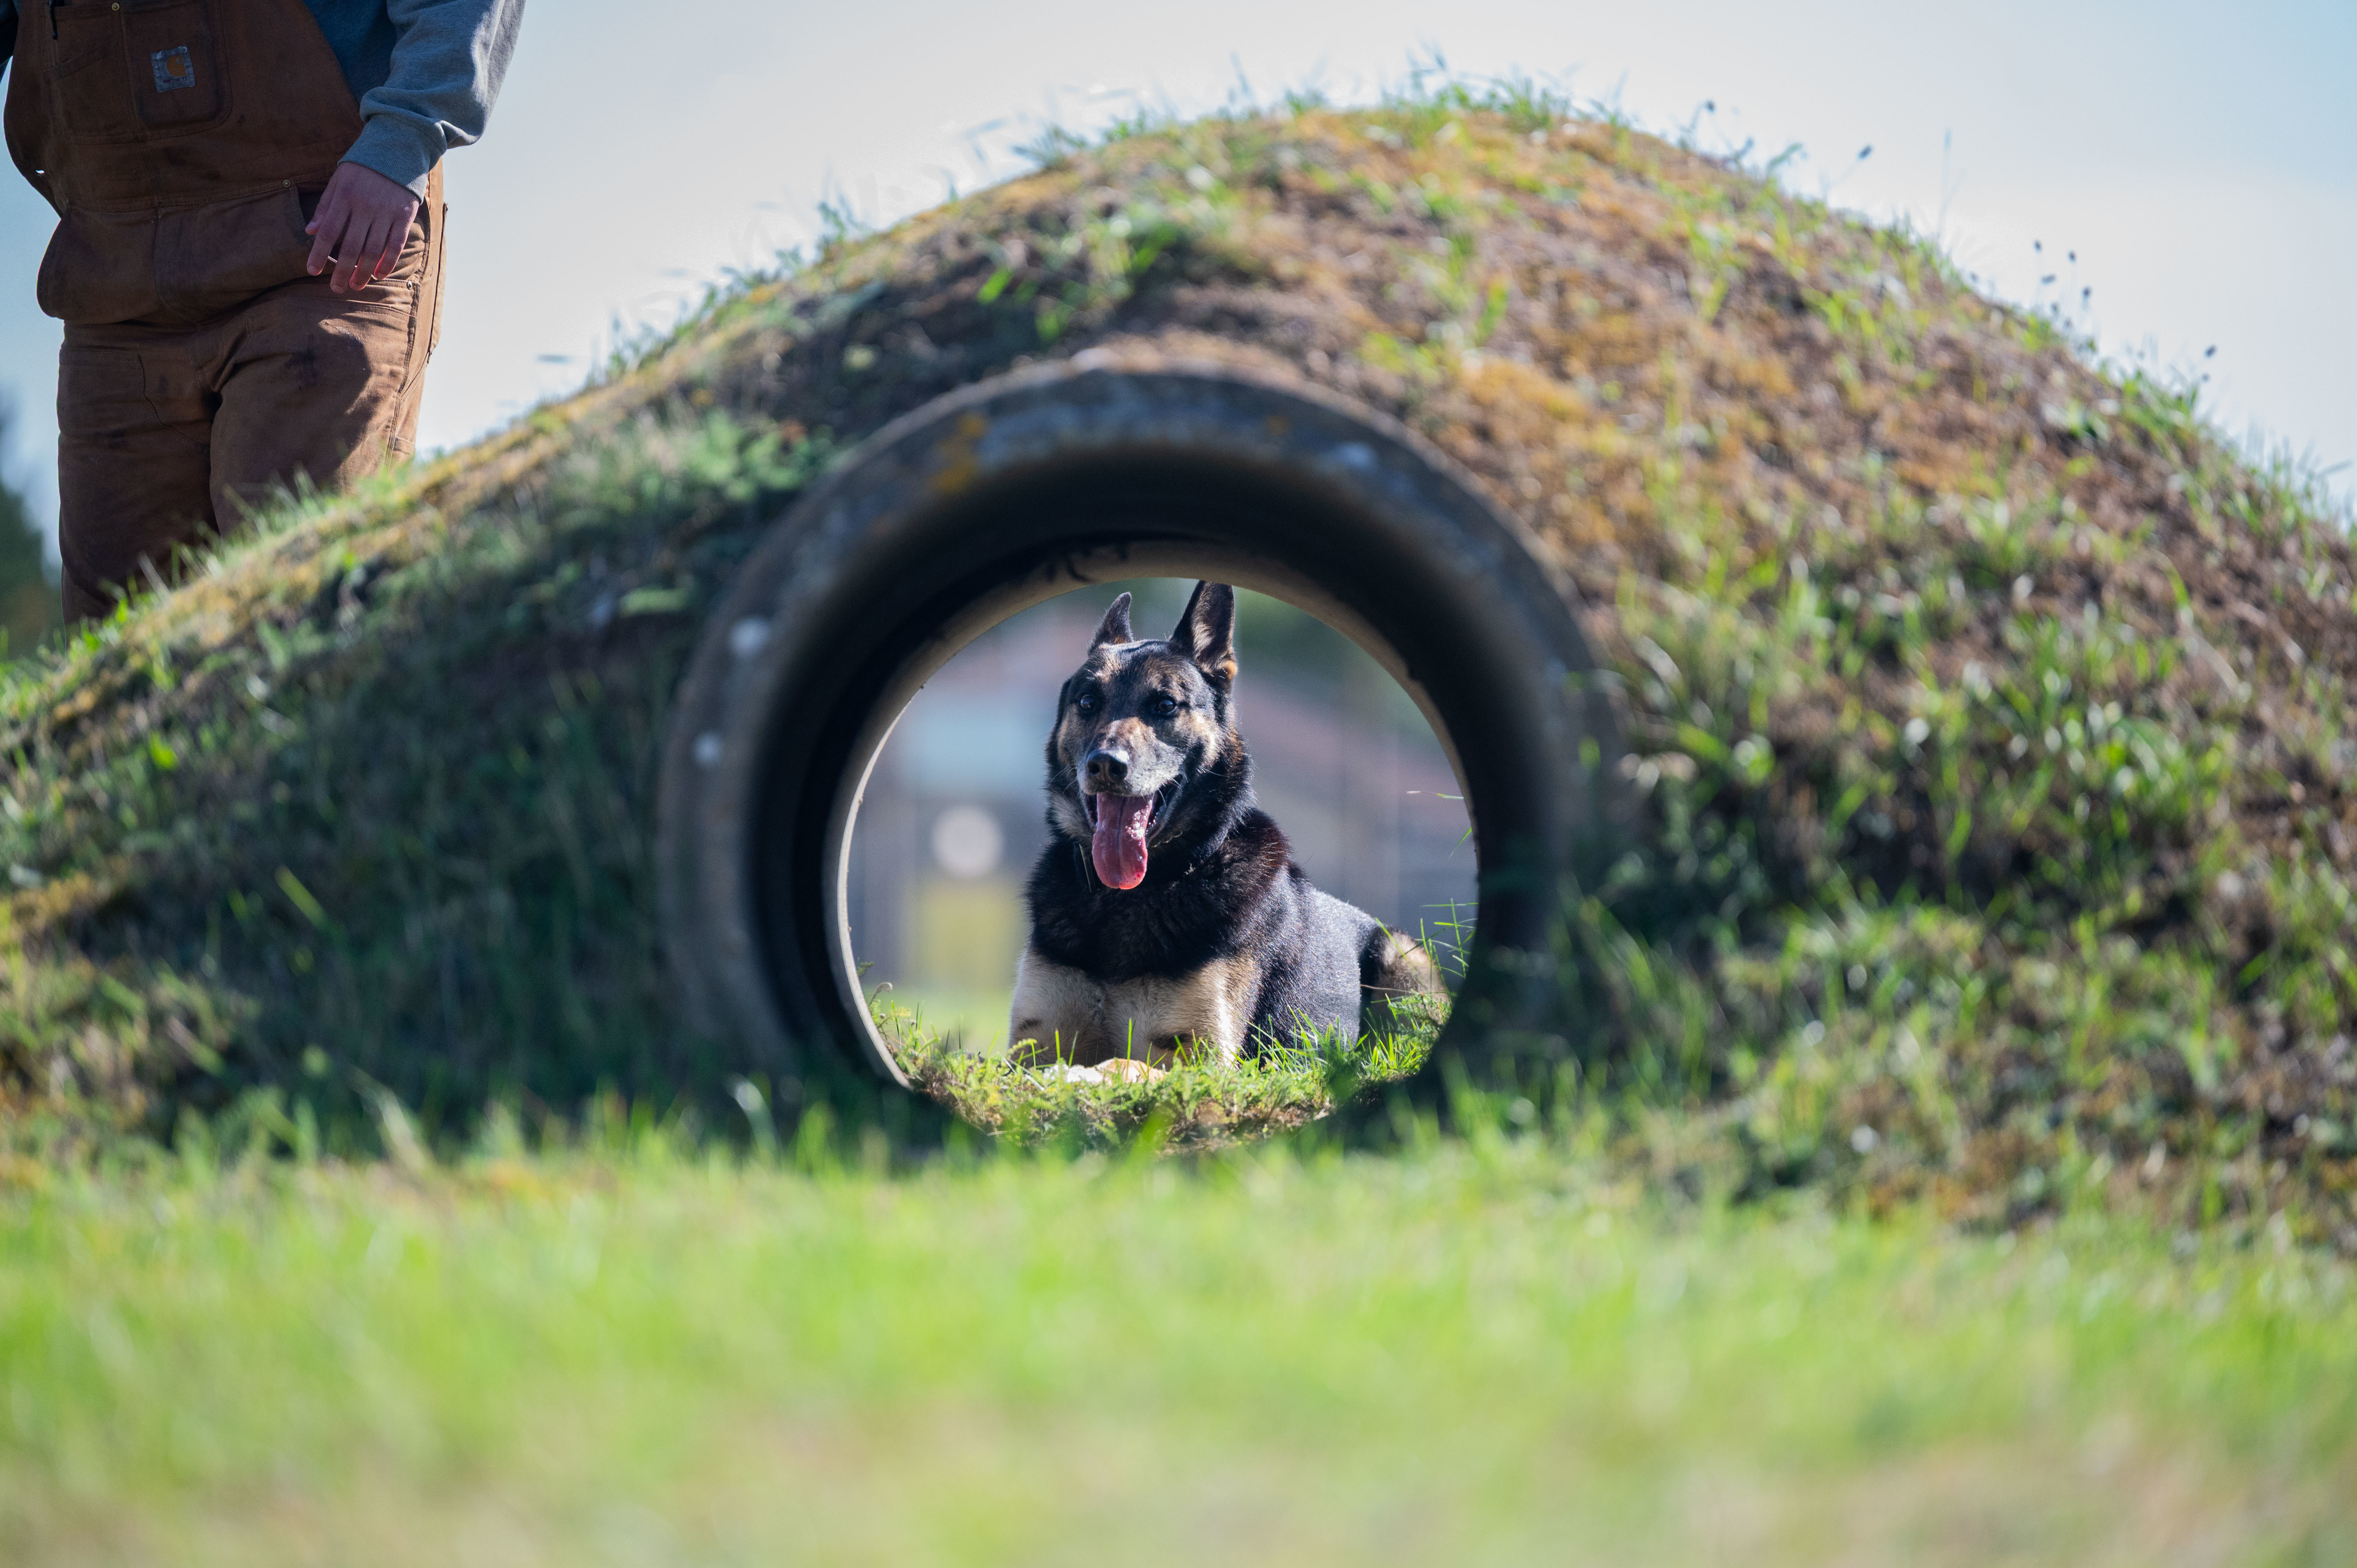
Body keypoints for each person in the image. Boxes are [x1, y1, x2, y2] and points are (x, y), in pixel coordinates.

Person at [0, 0, 523, 620]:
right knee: (120, 636)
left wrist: (404, 137)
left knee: (295, 593)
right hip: (118, 292)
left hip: (320, 246)